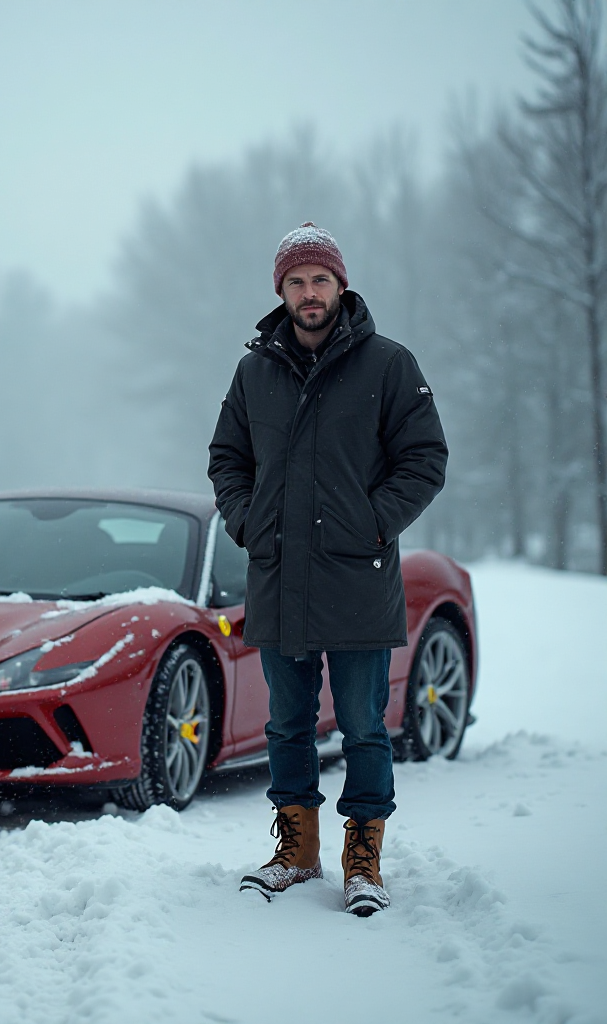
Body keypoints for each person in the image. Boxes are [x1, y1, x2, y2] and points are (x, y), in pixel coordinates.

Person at [207, 223, 448, 916]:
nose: (309, 294)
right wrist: (249, 520)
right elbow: (228, 457)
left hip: (357, 581)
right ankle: (297, 848)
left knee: (365, 725)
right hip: (281, 580)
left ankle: (363, 854)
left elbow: (426, 458)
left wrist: (372, 521)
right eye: (295, 282)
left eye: (319, 280)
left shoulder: (388, 365)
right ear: (280, 292)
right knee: (286, 724)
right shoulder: (255, 371)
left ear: (341, 286)